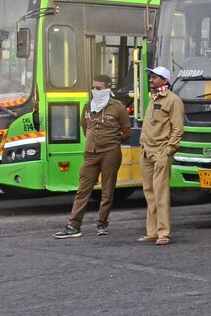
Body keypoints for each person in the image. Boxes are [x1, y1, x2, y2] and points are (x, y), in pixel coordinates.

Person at [53, 75, 132, 239]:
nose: (95, 91)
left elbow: (126, 133)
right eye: (93, 87)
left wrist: (111, 141)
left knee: (107, 189)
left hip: (110, 152)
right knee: (82, 189)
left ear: (107, 88)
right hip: (90, 153)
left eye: (99, 88)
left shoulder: (117, 107)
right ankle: (74, 225)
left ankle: (102, 223)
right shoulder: (88, 107)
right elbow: (85, 128)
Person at [139, 66, 185, 246]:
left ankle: (163, 233)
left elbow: (178, 129)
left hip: (160, 152)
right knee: (149, 193)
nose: (151, 80)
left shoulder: (173, 100)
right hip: (146, 151)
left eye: (155, 77)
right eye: (151, 77)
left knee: (161, 193)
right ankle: (152, 231)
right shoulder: (154, 98)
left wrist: (167, 150)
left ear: (165, 80)